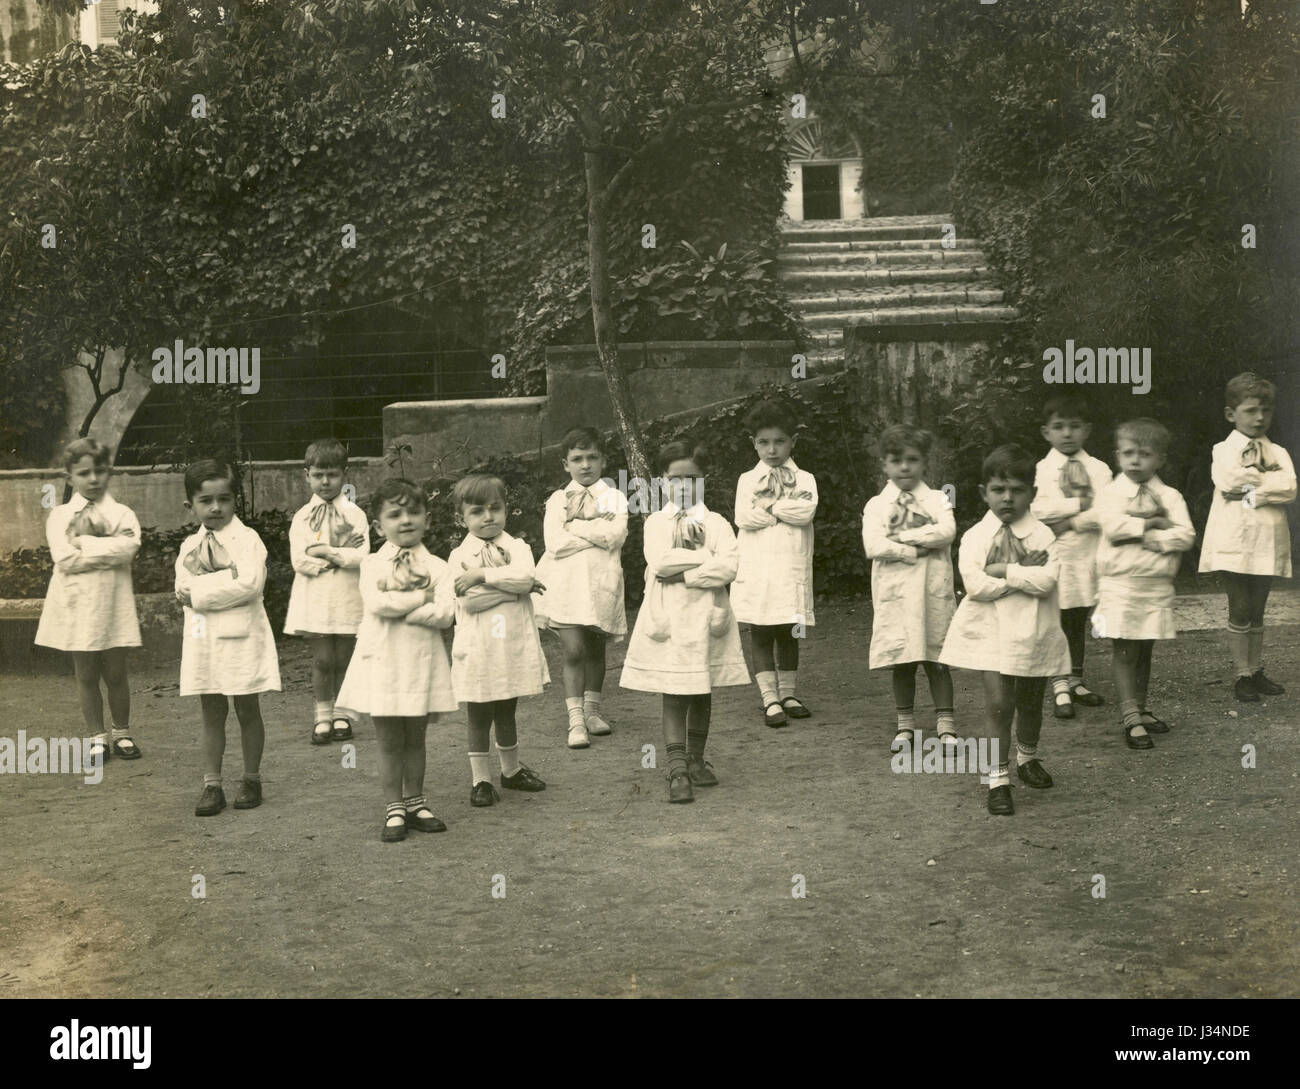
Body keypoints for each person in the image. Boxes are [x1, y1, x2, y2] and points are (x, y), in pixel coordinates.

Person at [940, 445, 1071, 816]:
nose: (1008, 498)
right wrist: (1019, 575)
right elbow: (976, 586)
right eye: (998, 490)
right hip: (990, 632)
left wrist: (1005, 571)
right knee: (1000, 704)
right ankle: (997, 777)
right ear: (984, 493)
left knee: (1030, 701)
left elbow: (1046, 580)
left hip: (1034, 629)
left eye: (1016, 489)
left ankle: (1027, 757)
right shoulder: (975, 537)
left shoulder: (1043, 535)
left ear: (1032, 492)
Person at [620, 443, 751, 803]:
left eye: (691, 479)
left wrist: (691, 572)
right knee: (676, 691)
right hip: (670, 616)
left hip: (706, 612)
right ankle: (677, 768)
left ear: (702, 481)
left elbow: (730, 567)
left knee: (702, 688)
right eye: (674, 479)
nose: (683, 487)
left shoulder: (717, 523)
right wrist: (703, 561)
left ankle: (696, 759)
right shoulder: (656, 522)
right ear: (662, 482)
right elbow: (660, 564)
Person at [335, 479, 457, 842]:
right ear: (378, 526)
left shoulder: (438, 565)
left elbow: (447, 613)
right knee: (389, 739)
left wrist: (413, 609)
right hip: (384, 660)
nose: (405, 520)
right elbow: (378, 605)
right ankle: (394, 807)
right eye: (395, 514)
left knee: (415, 737)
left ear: (428, 520)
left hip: (420, 658)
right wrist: (423, 599)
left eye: (414, 512)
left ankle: (416, 801)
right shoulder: (372, 565)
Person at [174, 460, 281, 816]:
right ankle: (211, 783)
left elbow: (250, 585)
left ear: (236, 500)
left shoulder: (247, 540)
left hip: (240, 636)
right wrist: (221, 583)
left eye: (224, 499)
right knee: (211, 710)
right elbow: (181, 588)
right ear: (191, 505)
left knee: (247, 707)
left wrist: (204, 592)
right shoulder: (189, 545)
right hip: (204, 637)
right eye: (206, 500)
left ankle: (251, 778)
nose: (216, 507)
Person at [35, 438, 143, 765]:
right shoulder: (60, 516)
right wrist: (105, 549)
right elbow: (64, 559)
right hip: (77, 606)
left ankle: (122, 732)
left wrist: (84, 544)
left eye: (99, 471)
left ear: (108, 472)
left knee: (116, 672)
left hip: (113, 603)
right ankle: (98, 737)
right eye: (84, 473)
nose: (93, 479)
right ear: (70, 477)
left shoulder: (122, 513)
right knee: (85, 674)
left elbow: (129, 548)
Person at [447, 473, 549, 807]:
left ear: (506, 509)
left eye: (495, 508)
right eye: (477, 511)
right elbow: (470, 602)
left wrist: (482, 576)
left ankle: (511, 770)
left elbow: (525, 577)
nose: (488, 517)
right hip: (479, 646)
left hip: (511, 642)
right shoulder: (458, 556)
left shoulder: (518, 547)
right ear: (462, 517)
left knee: (507, 708)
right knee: (479, 713)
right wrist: (515, 593)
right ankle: (481, 780)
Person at [1095, 419, 1196, 749]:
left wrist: (1150, 539)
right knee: (1125, 647)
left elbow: (1185, 535)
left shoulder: (1170, 495)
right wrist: (1152, 525)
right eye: (1128, 453)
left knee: (1145, 647)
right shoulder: (1111, 494)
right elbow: (1112, 527)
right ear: (1117, 456)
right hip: (1121, 582)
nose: (1135, 460)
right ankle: (1129, 716)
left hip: (1155, 583)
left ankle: (1140, 706)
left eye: (1145, 454)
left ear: (1161, 460)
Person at [1197, 373, 1295, 702]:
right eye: (1251, 410)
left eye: (1265, 411)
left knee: (1257, 607)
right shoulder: (1223, 449)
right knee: (1239, 606)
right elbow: (1228, 482)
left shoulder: (1278, 451)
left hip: (1267, 539)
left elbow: (1290, 488)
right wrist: (1267, 483)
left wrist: (1254, 493)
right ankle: (1242, 674)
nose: (1259, 417)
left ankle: (1256, 670)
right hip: (1233, 539)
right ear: (1231, 414)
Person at [860, 425, 958, 750]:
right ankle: (905, 725)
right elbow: (874, 545)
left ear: (924, 462)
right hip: (897, 593)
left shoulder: (937, 499)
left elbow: (946, 532)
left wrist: (901, 537)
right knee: (902, 658)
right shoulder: (877, 505)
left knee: (936, 656)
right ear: (884, 465)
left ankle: (946, 724)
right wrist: (912, 549)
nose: (905, 467)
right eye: (896, 460)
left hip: (930, 589)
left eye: (912, 459)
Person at [534, 427, 628, 749]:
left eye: (591, 457)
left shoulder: (615, 497)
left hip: (601, 584)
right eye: (577, 459)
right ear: (565, 464)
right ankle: (575, 720)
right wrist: (594, 531)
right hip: (566, 585)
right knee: (574, 650)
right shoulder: (558, 500)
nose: (585, 465)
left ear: (602, 460)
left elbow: (614, 536)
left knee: (595, 650)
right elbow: (556, 544)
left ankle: (592, 712)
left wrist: (576, 527)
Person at [732, 401, 818, 728]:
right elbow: (743, 517)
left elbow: (805, 512)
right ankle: (769, 698)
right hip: (758, 566)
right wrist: (782, 508)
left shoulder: (805, 479)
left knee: (789, 630)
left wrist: (769, 509)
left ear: (792, 441)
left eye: (779, 441)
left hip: (790, 564)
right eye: (763, 442)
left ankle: (789, 693)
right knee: (762, 630)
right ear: (753, 443)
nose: (771, 449)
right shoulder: (746, 480)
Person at [1030, 396, 1114, 718]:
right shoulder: (1042, 470)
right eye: (1058, 427)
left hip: (1087, 553)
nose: (1067, 433)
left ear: (1087, 430)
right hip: (1058, 554)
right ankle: (1059, 683)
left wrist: (1067, 522)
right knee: (1057, 618)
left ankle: (1076, 679)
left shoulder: (1099, 469)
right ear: (1046, 432)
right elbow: (1038, 510)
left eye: (1074, 426)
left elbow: (1107, 511)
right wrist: (1079, 505)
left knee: (1078, 617)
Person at [283, 439, 369, 745]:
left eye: (332, 475)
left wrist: (328, 553)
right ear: (307, 475)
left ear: (344, 475)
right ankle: (322, 715)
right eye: (318, 475)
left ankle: (342, 713)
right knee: (322, 660)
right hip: (316, 597)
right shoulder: (303, 517)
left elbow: (362, 555)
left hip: (346, 595)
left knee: (343, 658)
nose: (325, 481)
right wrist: (339, 553)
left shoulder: (355, 515)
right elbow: (299, 559)